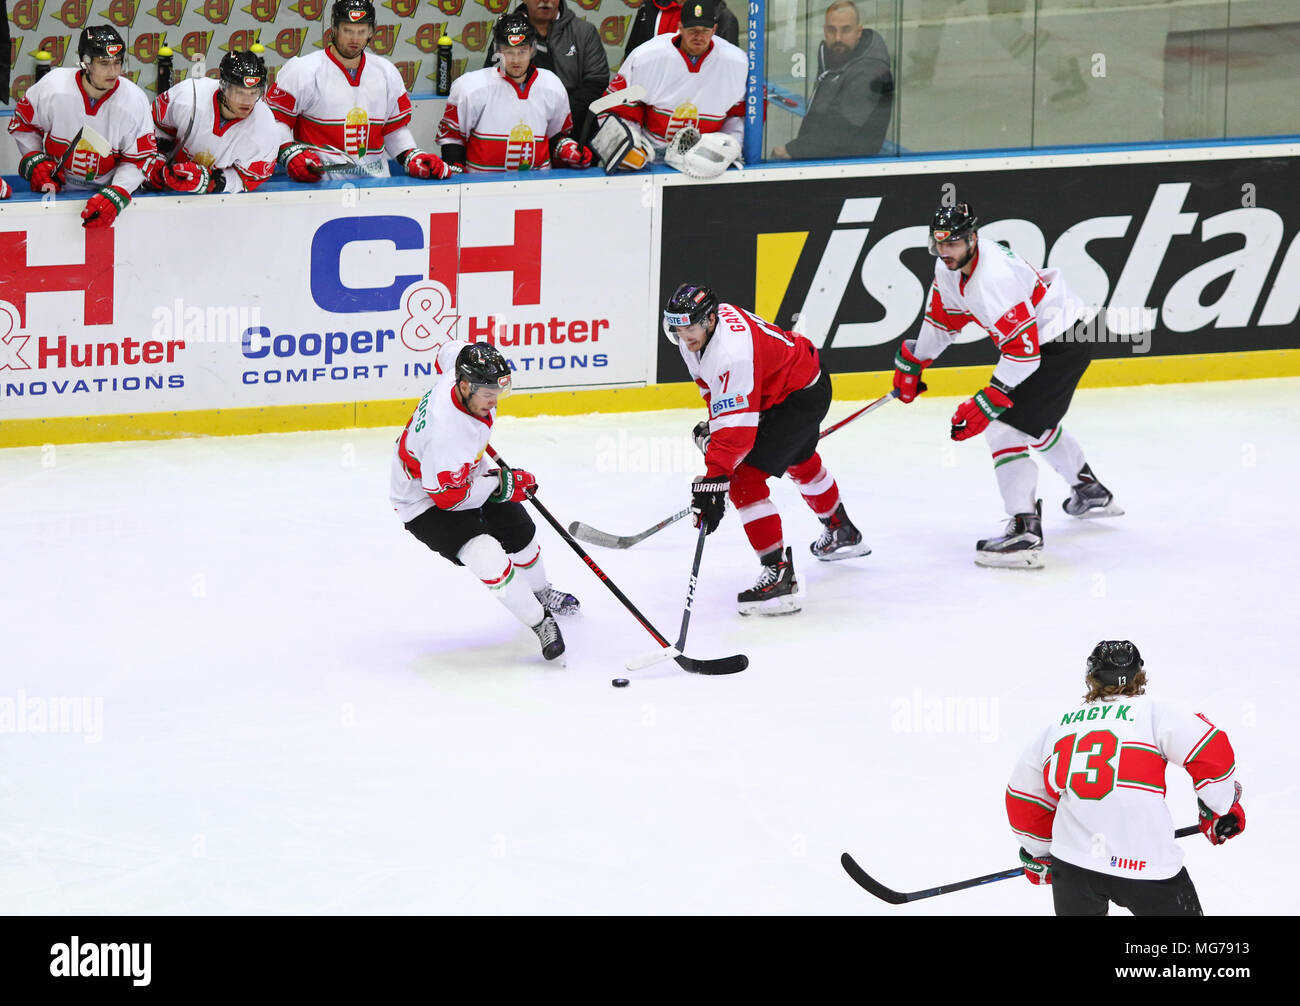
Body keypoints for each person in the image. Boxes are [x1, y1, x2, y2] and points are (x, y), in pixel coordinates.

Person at [892, 201, 1122, 569]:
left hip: (1064, 341)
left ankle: (1025, 531)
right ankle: (1088, 490)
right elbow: (942, 321)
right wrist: (918, 358)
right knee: (1033, 421)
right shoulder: (948, 266)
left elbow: (1023, 355)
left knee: (1003, 428)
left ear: (972, 238)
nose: (945, 252)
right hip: (1055, 338)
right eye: (939, 245)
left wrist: (986, 402)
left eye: (952, 244)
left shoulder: (993, 278)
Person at [665, 284, 870, 617]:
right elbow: (717, 393)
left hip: (798, 395)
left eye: (690, 327)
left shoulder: (731, 352)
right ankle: (841, 531)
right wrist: (718, 435)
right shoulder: (697, 338)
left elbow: (738, 439)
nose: (684, 336)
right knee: (799, 460)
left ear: (710, 319)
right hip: (783, 387)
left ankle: (779, 576)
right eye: (677, 327)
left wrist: (716, 479)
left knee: (744, 482)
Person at [1006, 640, 1245, 916]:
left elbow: (1023, 797)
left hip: (1075, 868)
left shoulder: (1057, 727)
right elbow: (1211, 753)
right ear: (1139, 677)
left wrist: (1040, 852)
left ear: (1091, 679)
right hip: (1147, 866)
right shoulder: (1155, 712)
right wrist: (1218, 808)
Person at [390, 340, 580, 663]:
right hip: (423, 500)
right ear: (464, 387)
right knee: (487, 555)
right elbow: (449, 499)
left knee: (520, 529)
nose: (493, 402)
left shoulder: (461, 369)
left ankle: (539, 590)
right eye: (487, 394)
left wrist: (499, 485)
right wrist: (504, 484)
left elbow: (446, 351)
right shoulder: (447, 434)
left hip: (458, 472)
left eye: (497, 393)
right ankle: (539, 620)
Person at [266, 0, 451, 182]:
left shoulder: (387, 72)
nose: (355, 39)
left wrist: (412, 156)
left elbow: (394, 130)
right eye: (348, 31)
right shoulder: (302, 70)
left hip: (375, 186)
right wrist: (289, 153)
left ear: (371, 32)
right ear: (335, 29)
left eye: (361, 32)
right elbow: (274, 120)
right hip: (319, 187)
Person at [7, 25, 158, 228]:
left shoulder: (134, 101)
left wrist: (117, 191)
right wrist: (34, 158)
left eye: (117, 62)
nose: (113, 71)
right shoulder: (54, 87)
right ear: (86, 63)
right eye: (104, 63)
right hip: (53, 190)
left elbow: (140, 159)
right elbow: (24, 124)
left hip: (102, 197)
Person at [437, 14, 591, 173]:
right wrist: (457, 174)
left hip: (539, 187)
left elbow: (555, 137)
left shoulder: (552, 85)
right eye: (509, 52)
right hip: (481, 188)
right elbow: (452, 141)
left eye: (522, 51)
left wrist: (566, 149)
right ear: (497, 49)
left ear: (532, 49)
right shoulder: (471, 87)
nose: (516, 60)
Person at [602, 0, 746, 164]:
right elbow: (619, 109)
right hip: (653, 153)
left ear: (714, 30)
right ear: (680, 27)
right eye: (692, 30)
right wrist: (630, 144)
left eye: (704, 30)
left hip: (705, 156)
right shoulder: (648, 56)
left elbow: (740, 114)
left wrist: (727, 146)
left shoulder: (736, 62)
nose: (698, 37)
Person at [769, 2, 893, 161]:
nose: (838, 38)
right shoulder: (835, 57)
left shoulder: (869, 71)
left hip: (850, 169)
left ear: (858, 32)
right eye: (831, 30)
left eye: (846, 30)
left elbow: (841, 129)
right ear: (824, 30)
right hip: (826, 159)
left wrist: (793, 150)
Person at [147, 50, 279, 195]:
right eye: (240, 92)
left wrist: (210, 181)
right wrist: (156, 160)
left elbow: (249, 177)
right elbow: (154, 125)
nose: (247, 102)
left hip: (216, 203)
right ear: (223, 86)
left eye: (254, 93)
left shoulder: (265, 125)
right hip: (166, 188)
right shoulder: (188, 96)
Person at [481, 0, 610, 132]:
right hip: (517, 123)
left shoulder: (584, 31)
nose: (545, 1)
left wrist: (558, 114)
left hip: (576, 123)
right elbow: (494, 79)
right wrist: (527, 114)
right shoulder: (507, 32)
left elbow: (597, 82)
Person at [623, 0, 740, 57]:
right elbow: (631, 55)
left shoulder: (721, 15)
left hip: (699, 97)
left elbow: (729, 66)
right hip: (652, 96)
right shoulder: (650, 6)